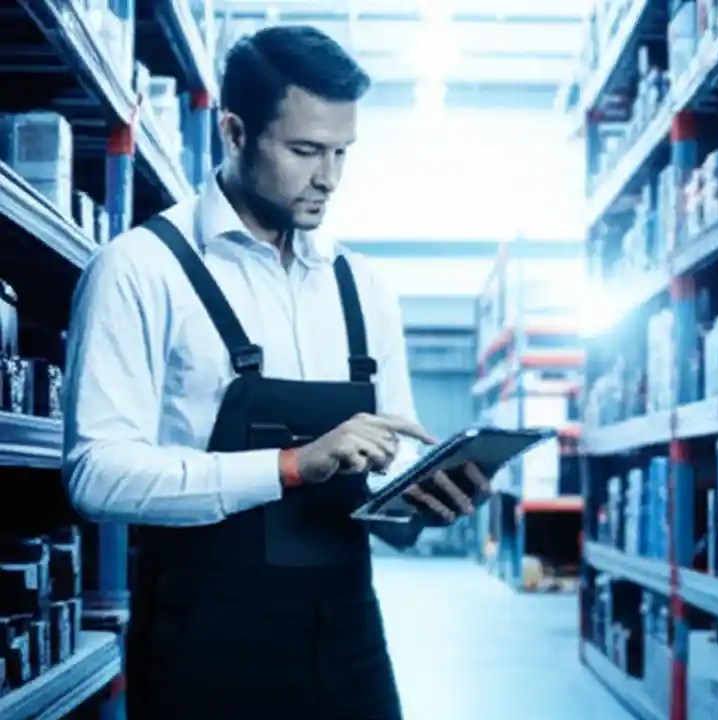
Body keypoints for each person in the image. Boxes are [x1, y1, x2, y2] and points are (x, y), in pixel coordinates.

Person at [61, 25, 483, 719]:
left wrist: (426, 498)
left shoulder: (363, 286)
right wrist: (288, 466)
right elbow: (96, 474)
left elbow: (389, 465)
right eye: (305, 151)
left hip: (349, 637)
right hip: (204, 643)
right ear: (233, 132)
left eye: (343, 152)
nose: (329, 177)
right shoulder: (141, 270)